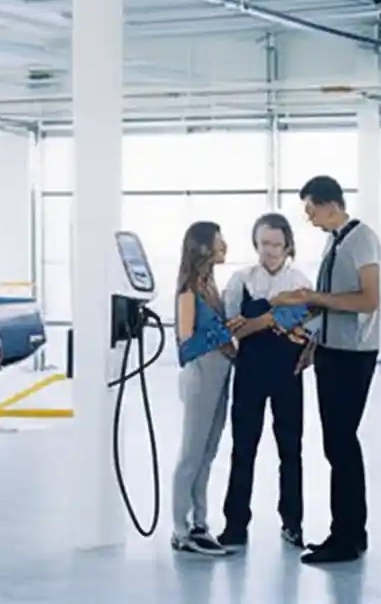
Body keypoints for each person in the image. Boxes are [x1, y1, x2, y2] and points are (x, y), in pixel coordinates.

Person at [273, 174, 381, 565]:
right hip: (331, 352)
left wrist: (312, 296)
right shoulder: (334, 243)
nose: (309, 218)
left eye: (310, 209)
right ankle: (352, 530)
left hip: (353, 355)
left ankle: (346, 538)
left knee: (341, 443)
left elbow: (369, 299)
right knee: (337, 443)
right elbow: (329, 305)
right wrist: (312, 345)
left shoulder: (362, 239)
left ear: (330, 204)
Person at [215, 213, 312, 552]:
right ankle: (235, 525)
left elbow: (307, 329)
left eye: (275, 244)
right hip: (250, 371)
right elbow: (233, 329)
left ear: (288, 246)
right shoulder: (241, 279)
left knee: (291, 451)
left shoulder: (300, 281)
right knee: (243, 449)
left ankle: (293, 523)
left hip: (288, 374)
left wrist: (259, 318)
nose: (269, 251)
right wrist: (274, 318)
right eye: (263, 244)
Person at [170, 220, 234, 556]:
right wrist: (225, 335)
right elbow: (186, 344)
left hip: (221, 375)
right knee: (191, 455)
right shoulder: (189, 291)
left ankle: (200, 524)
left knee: (208, 453)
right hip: (201, 375)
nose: (225, 246)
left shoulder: (211, 286)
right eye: (220, 241)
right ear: (203, 247)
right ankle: (181, 531)